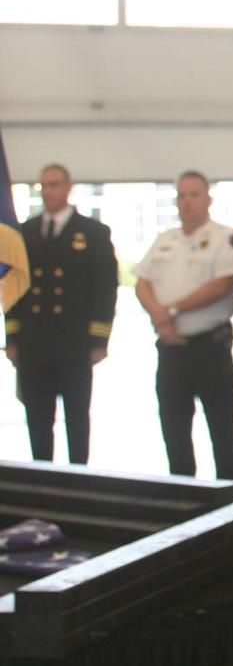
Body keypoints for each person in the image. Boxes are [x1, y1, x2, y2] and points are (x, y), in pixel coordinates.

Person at [135, 171, 233, 480]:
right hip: (171, 349)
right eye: (181, 195)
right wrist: (159, 316)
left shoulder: (226, 238)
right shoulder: (166, 239)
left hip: (209, 348)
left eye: (194, 194)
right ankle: (183, 507)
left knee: (223, 434)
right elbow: (141, 282)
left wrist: (171, 309)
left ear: (208, 199)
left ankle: (232, 510)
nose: (187, 202)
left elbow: (222, 285)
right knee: (174, 434)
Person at [3, 164, 117, 464]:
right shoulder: (24, 233)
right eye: (43, 186)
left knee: (77, 419)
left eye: (54, 185)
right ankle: (44, 481)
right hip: (34, 343)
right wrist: (12, 334)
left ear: (69, 187)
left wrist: (98, 340)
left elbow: (105, 288)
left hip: (74, 344)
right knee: (38, 421)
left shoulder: (91, 232)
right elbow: (14, 289)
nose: (48, 191)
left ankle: (79, 482)